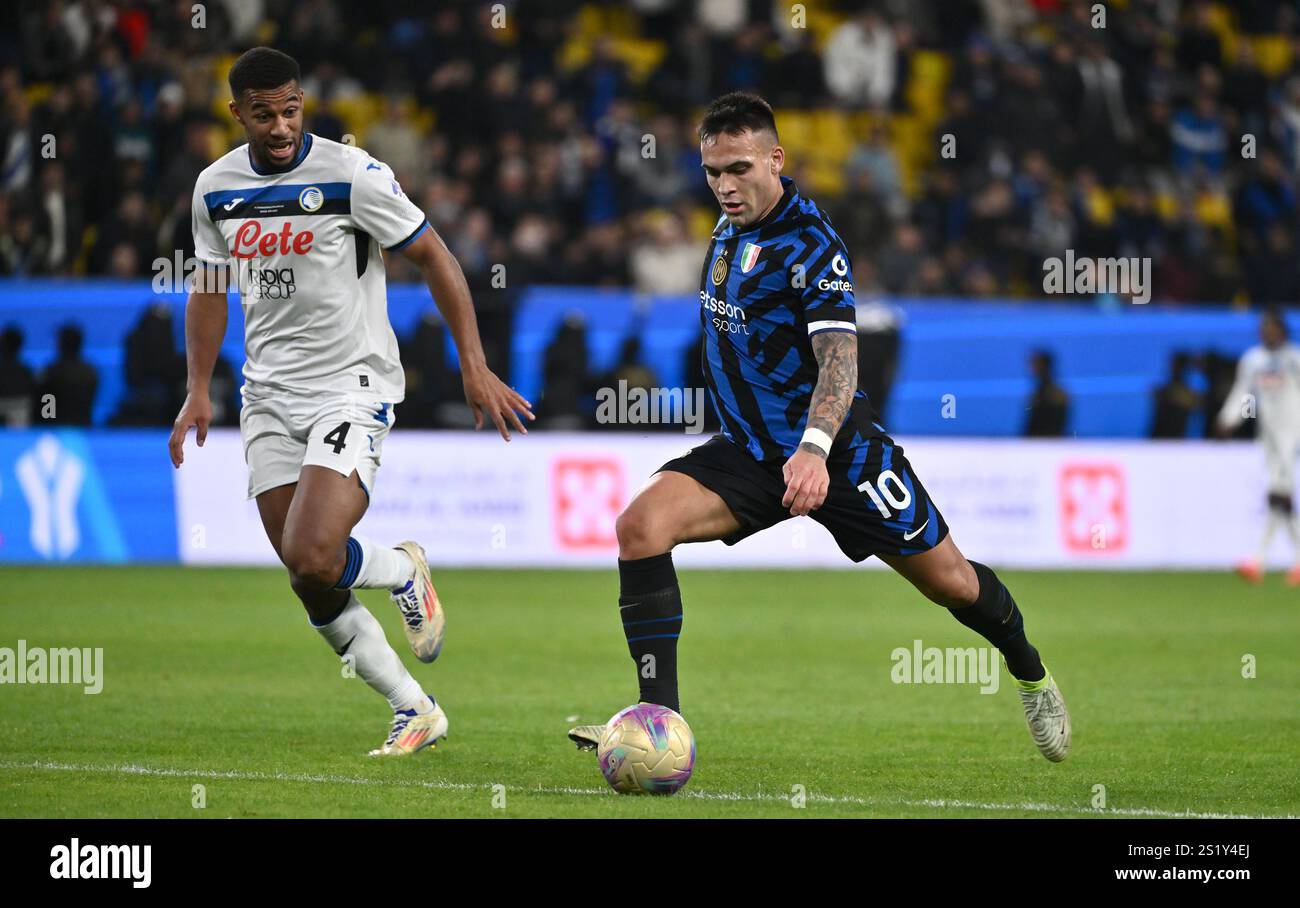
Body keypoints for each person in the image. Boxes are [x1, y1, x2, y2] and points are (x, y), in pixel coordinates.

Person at [569, 93, 1070, 762]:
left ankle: (1029, 668)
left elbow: (839, 356)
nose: (724, 185)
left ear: (776, 158)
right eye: (712, 171)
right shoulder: (725, 232)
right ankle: (661, 728)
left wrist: (813, 448)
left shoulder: (811, 244)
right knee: (639, 528)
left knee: (951, 582)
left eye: (739, 168)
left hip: (840, 456)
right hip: (749, 454)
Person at [169, 48, 532, 756]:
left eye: (291, 108)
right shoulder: (214, 188)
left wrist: (475, 365)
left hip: (352, 384)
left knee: (312, 550)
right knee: (309, 577)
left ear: (303, 102)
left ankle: (402, 570)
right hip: (268, 395)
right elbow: (208, 291)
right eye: (264, 113)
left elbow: (436, 256)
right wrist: (196, 389)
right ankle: (414, 708)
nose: (279, 126)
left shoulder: (351, 173)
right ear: (236, 112)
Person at [1217, 308, 1300, 584]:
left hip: (1294, 433)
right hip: (1269, 435)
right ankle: (1269, 562)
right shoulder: (1253, 360)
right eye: (1264, 328)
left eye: (1273, 328)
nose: (1268, 333)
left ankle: (1259, 560)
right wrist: (1229, 419)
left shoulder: (1294, 359)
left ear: (1283, 331)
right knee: (1280, 497)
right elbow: (1245, 395)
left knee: (1279, 494)